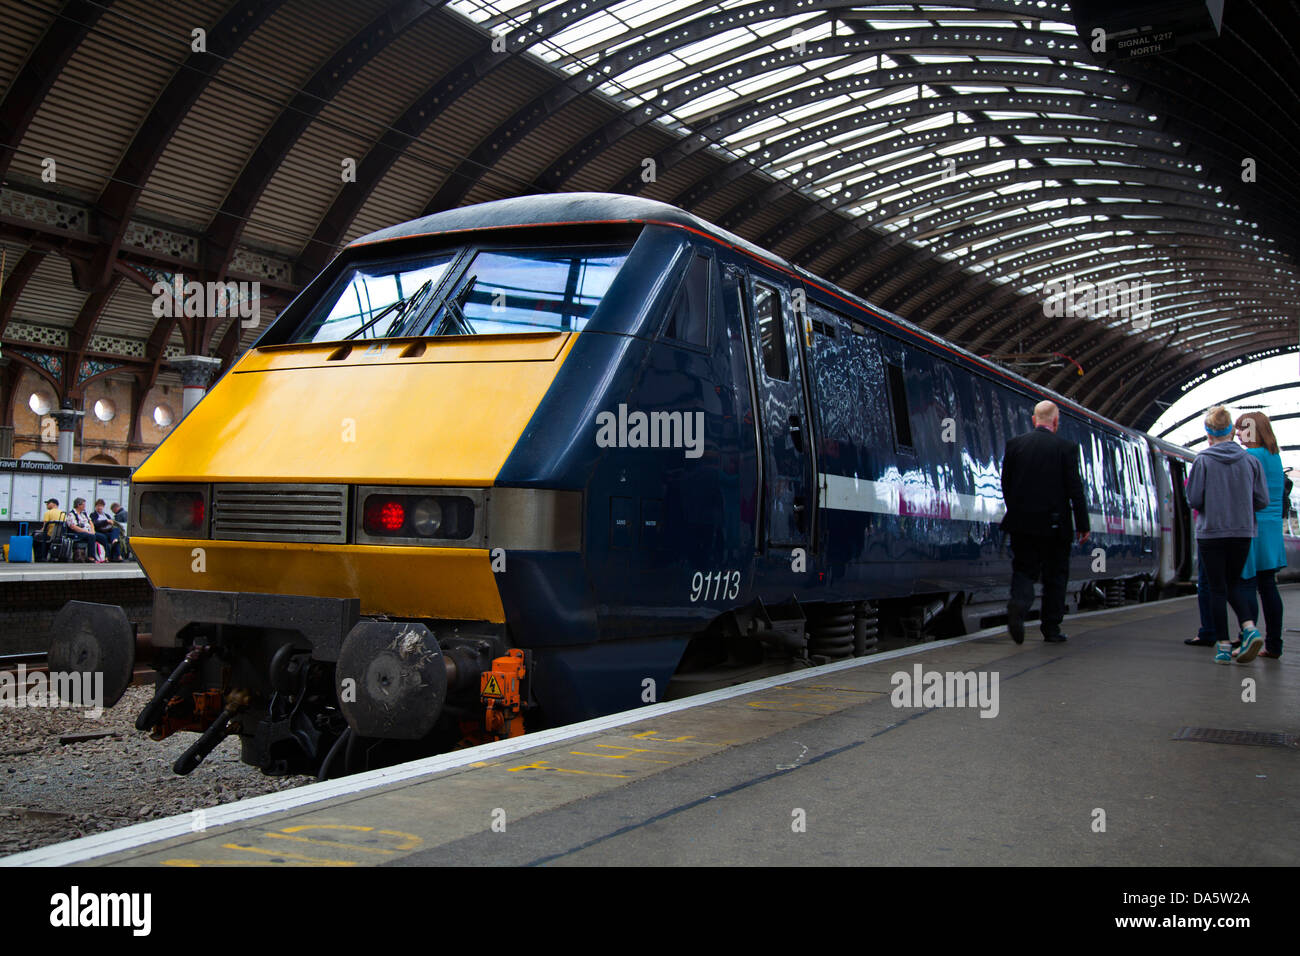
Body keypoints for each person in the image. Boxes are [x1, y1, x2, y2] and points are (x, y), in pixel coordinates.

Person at [1000, 400, 1091, 644]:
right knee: (1055, 576)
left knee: (1023, 571)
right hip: (1055, 526)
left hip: (1021, 523)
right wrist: (1083, 524)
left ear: (1033, 420)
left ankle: (1018, 605)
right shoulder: (1066, 447)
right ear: (1055, 422)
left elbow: (1005, 484)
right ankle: (1051, 629)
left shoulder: (1014, 445)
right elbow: (1075, 489)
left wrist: (1016, 511)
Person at [1184, 406, 1268, 664]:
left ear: (1208, 433)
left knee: (1217, 589)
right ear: (1231, 430)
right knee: (1232, 585)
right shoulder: (1251, 461)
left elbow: (1194, 499)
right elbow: (1262, 500)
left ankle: (1222, 646)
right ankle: (1250, 628)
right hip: (1242, 532)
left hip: (1211, 533)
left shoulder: (1203, 460)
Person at [1233, 412, 1286, 658]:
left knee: (1246, 585)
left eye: (1241, 429)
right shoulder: (1275, 457)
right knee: (1268, 587)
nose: (1237, 435)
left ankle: (1248, 638)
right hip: (1273, 530)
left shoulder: (1250, 456)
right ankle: (1274, 644)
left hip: (1253, 528)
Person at [65, 497, 109, 563]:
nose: (84, 506)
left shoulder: (84, 513)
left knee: (103, 537)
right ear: (78, 505)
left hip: (88, 531)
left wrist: (92, 530)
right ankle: (91, 557)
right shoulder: (71, 514)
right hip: (78, 533)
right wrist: (86, 531)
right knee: (91, 537)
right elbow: (73, 526)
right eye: (83, 505)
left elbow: (90, 522)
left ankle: (106, 557)